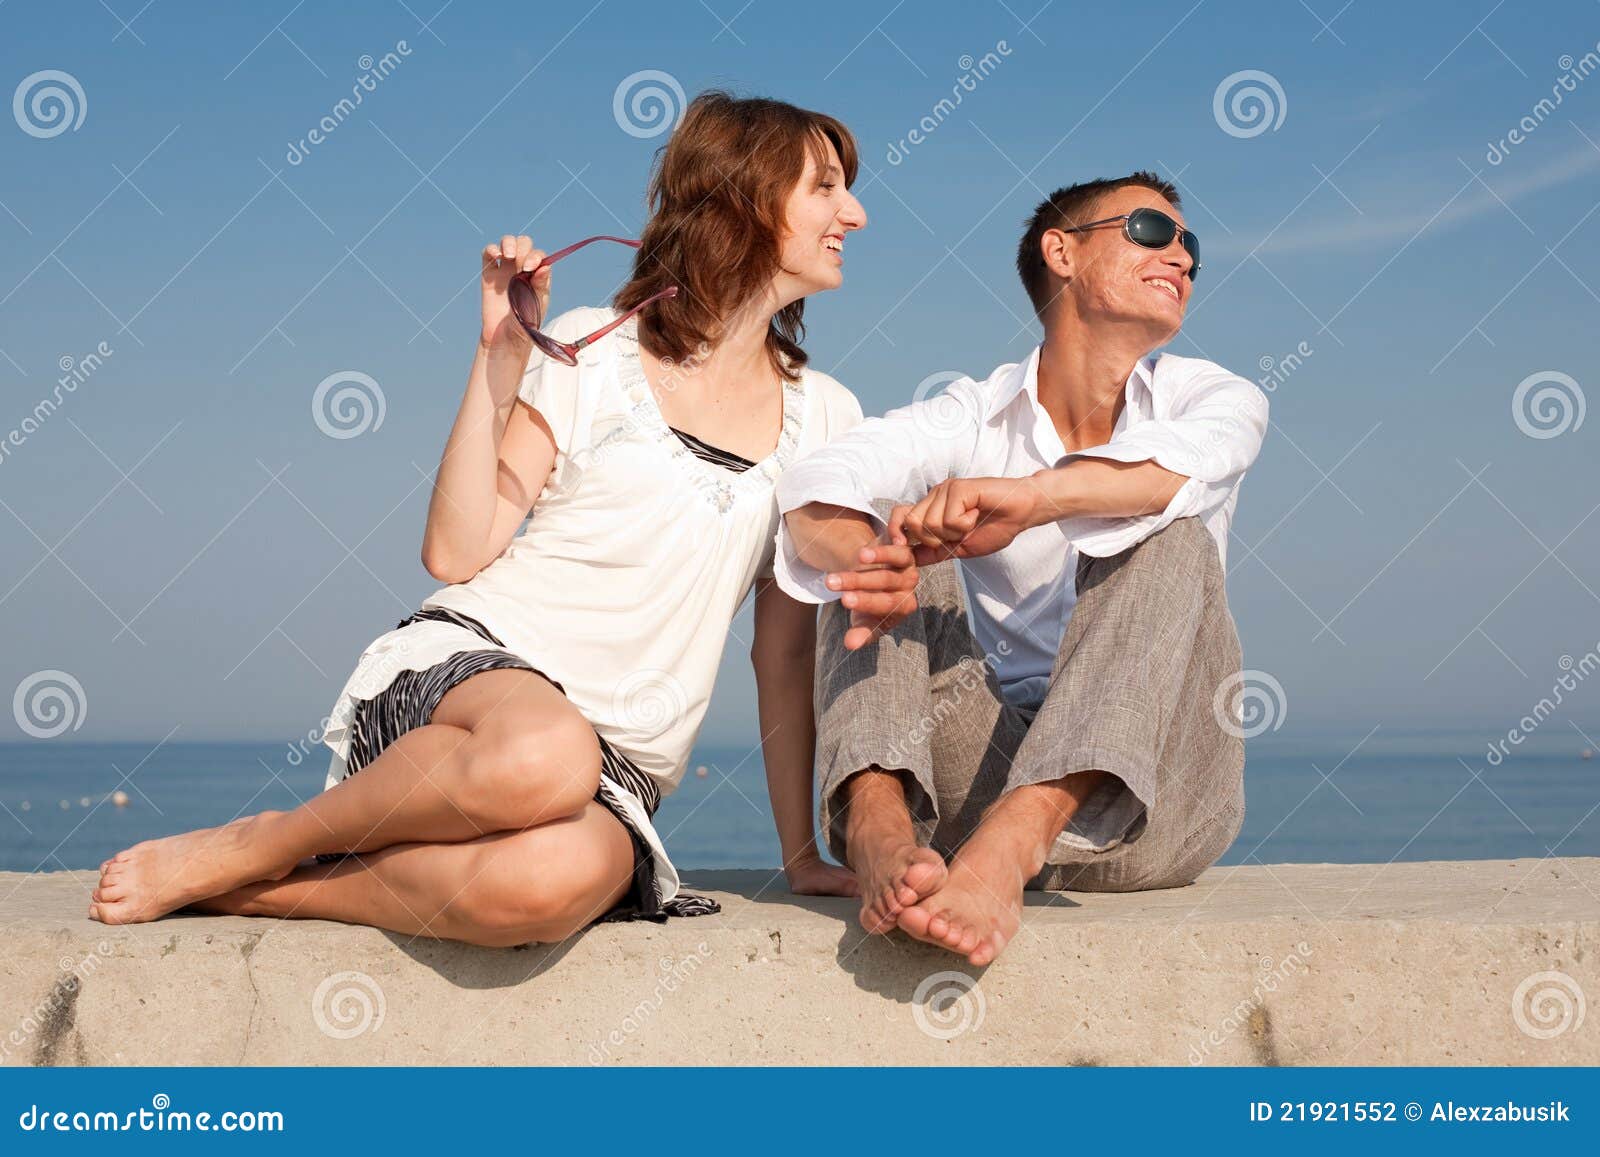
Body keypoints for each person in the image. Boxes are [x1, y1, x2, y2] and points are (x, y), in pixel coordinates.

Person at [87, 91, 868, 944]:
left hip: (619, 765)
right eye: (826, 187)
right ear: (745, 197)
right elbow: (456, 551)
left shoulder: (827, 417)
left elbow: (784, 650)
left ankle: (260, 891)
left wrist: (800, 851)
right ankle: (266, 840)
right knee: (547, 752)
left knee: (548, 886)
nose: (854, 214)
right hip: (479, 682)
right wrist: (497, 358)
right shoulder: (593, 349)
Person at [776, 172, 1269, 966]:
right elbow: (814, 484)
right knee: (879, 529)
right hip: (977, 780)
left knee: (1170, 532)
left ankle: (1015, 842)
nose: (1181, 256)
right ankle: (876, 825)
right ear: (1061, 252)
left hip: (1153, 802)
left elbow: (1175, 472)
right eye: (1152, 231)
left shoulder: (1212, 395)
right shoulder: (973, 413)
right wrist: (878, 563)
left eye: (1191, 247)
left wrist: (1034, 499)